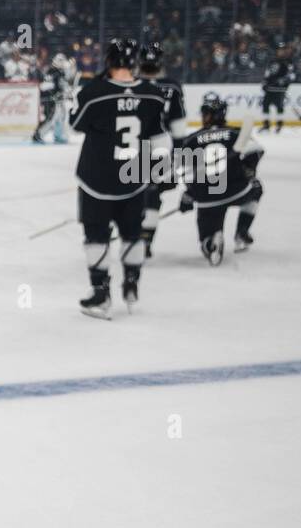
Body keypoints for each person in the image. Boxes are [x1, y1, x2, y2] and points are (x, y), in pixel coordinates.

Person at [69, 37, 166, 318]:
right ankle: (132, 285)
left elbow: (76, 125)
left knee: (96, 235)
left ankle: (100, 294)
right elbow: (160, 137)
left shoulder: (95, 92)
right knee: (132, 234)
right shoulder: (151, 94)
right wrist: (159, 171)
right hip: (134, 180)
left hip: (96, 179)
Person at [174, 93, 264, 264]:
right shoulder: (235, 133)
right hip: (237, 191)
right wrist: (248, 169)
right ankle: (241, 232)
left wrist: (189, 194)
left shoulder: (191, 139)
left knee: (206, 234)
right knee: (256, 187)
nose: (203, 117)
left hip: (206, 197)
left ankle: (210, 242)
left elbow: (182, 169)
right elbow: (256, 151)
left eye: (205, 113)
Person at [136, 42, 187, 257]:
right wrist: (178, 153)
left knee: (128, 195)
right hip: (160, 146)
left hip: (128, 147)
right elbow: (178, 124)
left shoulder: (129, 83)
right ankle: (146, 240)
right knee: (153, 195)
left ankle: (129, 234)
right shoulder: (172, 86)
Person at [260, 42, 295, 134]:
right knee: (265, 106)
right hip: (270, 88)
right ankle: (266, 125)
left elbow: (292, 76)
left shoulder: (288, 62)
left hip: (280, 89)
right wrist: (264, 82)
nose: (281, 52)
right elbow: (267, 73)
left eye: (282, 50)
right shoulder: (272, 61)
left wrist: (284, 81)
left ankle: (279, 125)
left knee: (279, 107)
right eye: (279, 50)